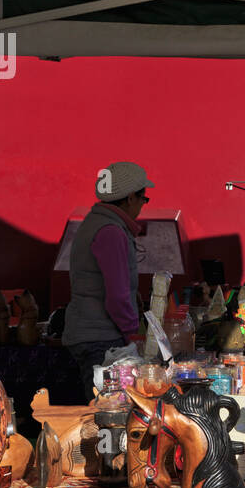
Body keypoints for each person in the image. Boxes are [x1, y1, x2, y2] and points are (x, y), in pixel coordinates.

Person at [62, 161, 154, 401]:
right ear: (131, 197)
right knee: (105, 414)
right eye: (144, 199)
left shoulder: (96, 223)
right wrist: (133, 336)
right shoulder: (111, 231)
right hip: (100, 337)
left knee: (99, 410)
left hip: (89, 332)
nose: (143, 206)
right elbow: (117, 296)